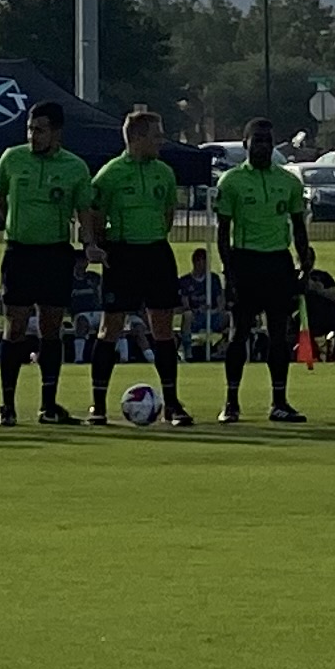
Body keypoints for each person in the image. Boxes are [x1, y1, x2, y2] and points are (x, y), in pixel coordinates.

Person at [0, 101, 94, 427]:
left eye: (41, 130)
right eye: (31, 130)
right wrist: (14, 225)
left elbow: (84, 211)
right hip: (19, 252)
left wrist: (89, 244)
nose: (34, 136)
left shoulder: (75, 167)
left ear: (57, 133)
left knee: (51, 327)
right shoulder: (12, 157)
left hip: (54, 253)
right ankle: (7, 405)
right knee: (15, 325)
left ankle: (48, 405)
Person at [86, 108, 190, 430]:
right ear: (137, 138)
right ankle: (98, 406)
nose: (161, 142)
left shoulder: (164, 172)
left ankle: (172, 404)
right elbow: (94, 214)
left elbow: (169, 213)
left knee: (162, 328)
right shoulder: (110, 174)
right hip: (123, 254)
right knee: (111, 327)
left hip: (156, 252)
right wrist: (105, 246)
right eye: (156, 136)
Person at [211, 121, 311, 424]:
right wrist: (229, 273)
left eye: (268, 141)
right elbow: (223, 233)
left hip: (278, 262)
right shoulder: (231, 181)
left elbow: (298, 226)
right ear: (246, 144)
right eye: (257, 141)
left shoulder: (289, 182)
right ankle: (231, 402)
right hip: (245, 261)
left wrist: (304, 261)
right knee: (239, 333)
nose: (263, 147)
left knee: (279, 335)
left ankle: (279, 402)